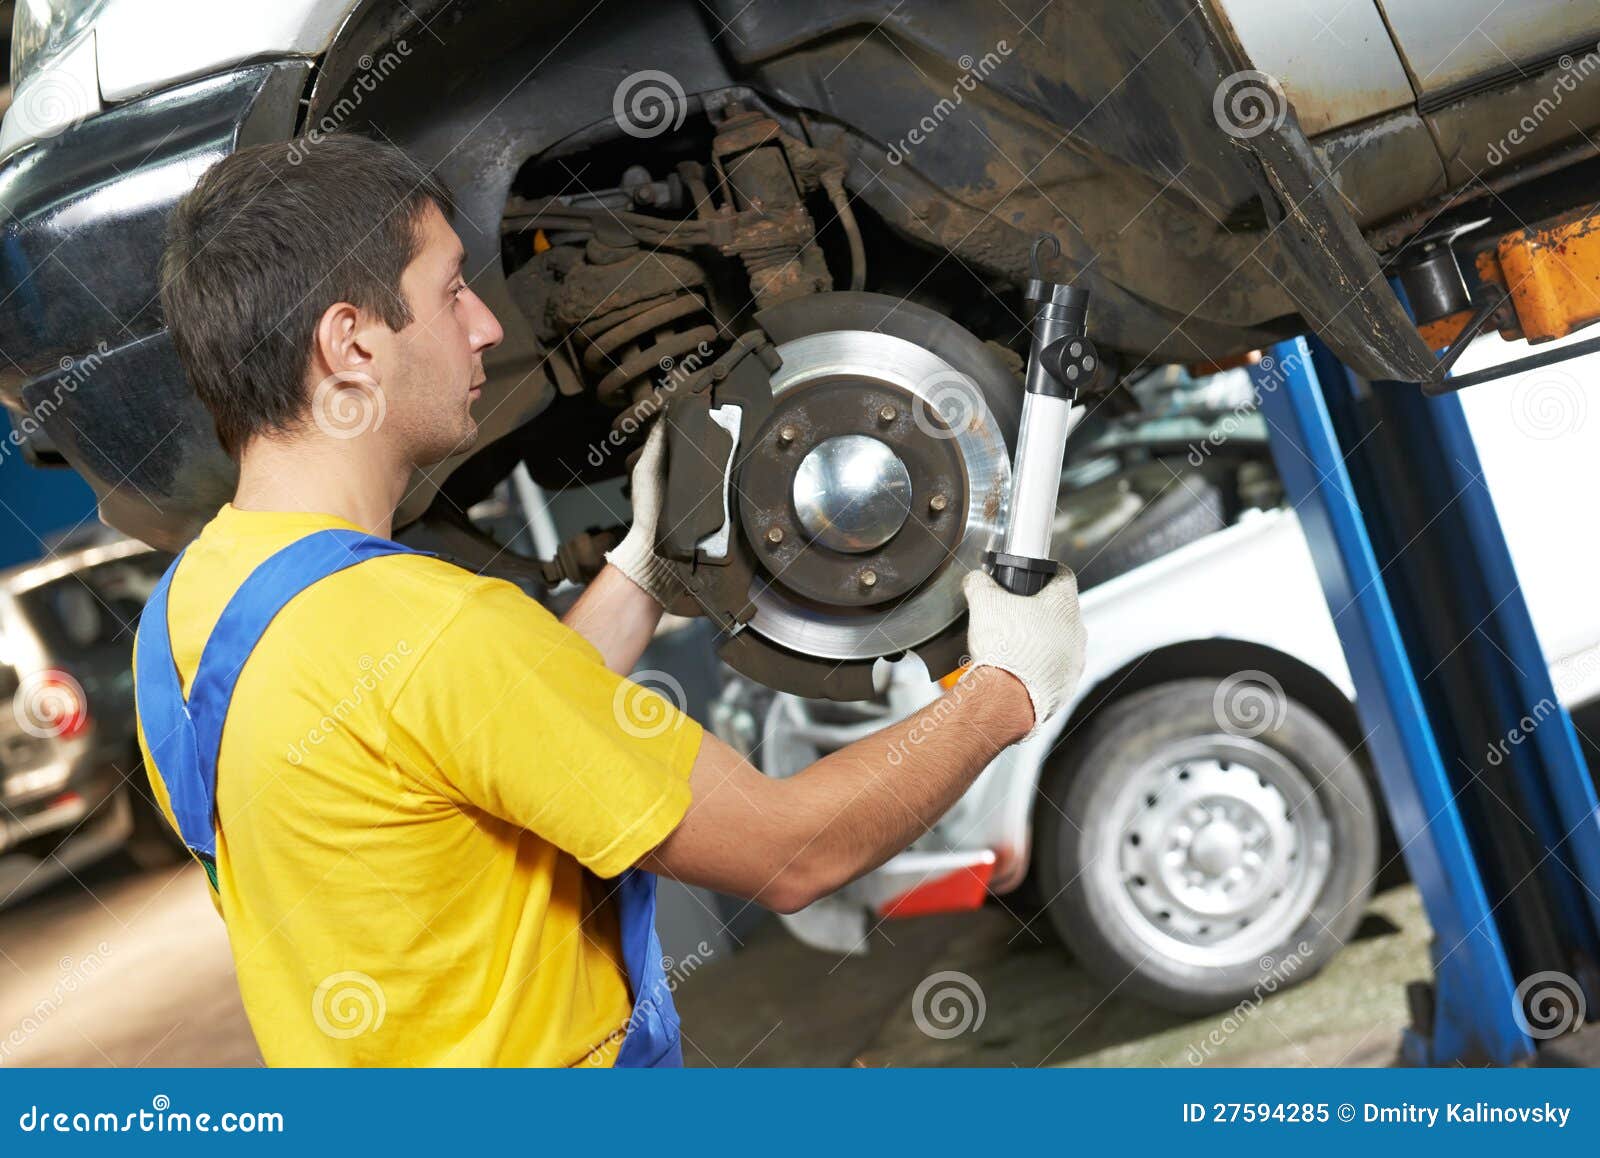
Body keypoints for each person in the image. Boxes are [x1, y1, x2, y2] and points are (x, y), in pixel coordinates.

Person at [133, 133, 1087, 1067]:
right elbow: (790, 856)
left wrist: (643, 570)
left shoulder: (182, 625)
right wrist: (1001, 691)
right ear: (350, 343)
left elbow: (473, 745)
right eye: (452, 290)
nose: (487, 326)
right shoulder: (431, 629)